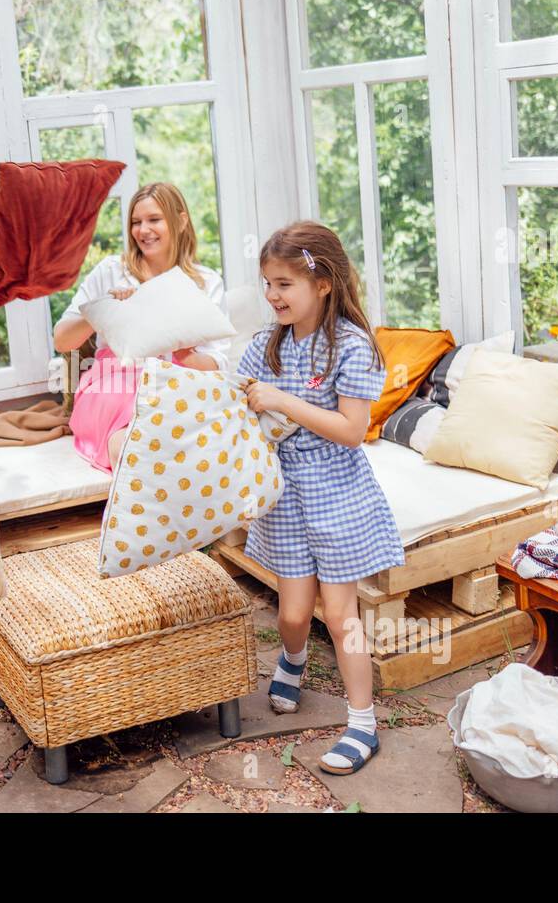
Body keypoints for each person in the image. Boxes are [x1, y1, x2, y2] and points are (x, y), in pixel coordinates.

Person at [237, 220, 405, 775]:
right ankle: (293, 658)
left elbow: (352, 430)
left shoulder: (353, 346)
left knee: (340, 614)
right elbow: (238, 406)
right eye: (268, 284)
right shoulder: (266, 345)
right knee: (292, 614)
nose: (272, 295)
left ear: (324, 282)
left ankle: (363, 725)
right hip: (284, 493)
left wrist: (281, 400)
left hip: (337, 490)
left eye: (284, 284)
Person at [53, 181, 230, 472]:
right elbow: (62, 340)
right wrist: (103, 311)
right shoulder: (111, 271)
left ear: (181, 221)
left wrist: (183, 351)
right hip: (115, 381)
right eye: (136, 222)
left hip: (178, 380)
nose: (143, 230)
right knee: (133, 439)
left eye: (154, 220)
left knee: (181, 429)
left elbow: (217, 363)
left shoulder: (206, 282)